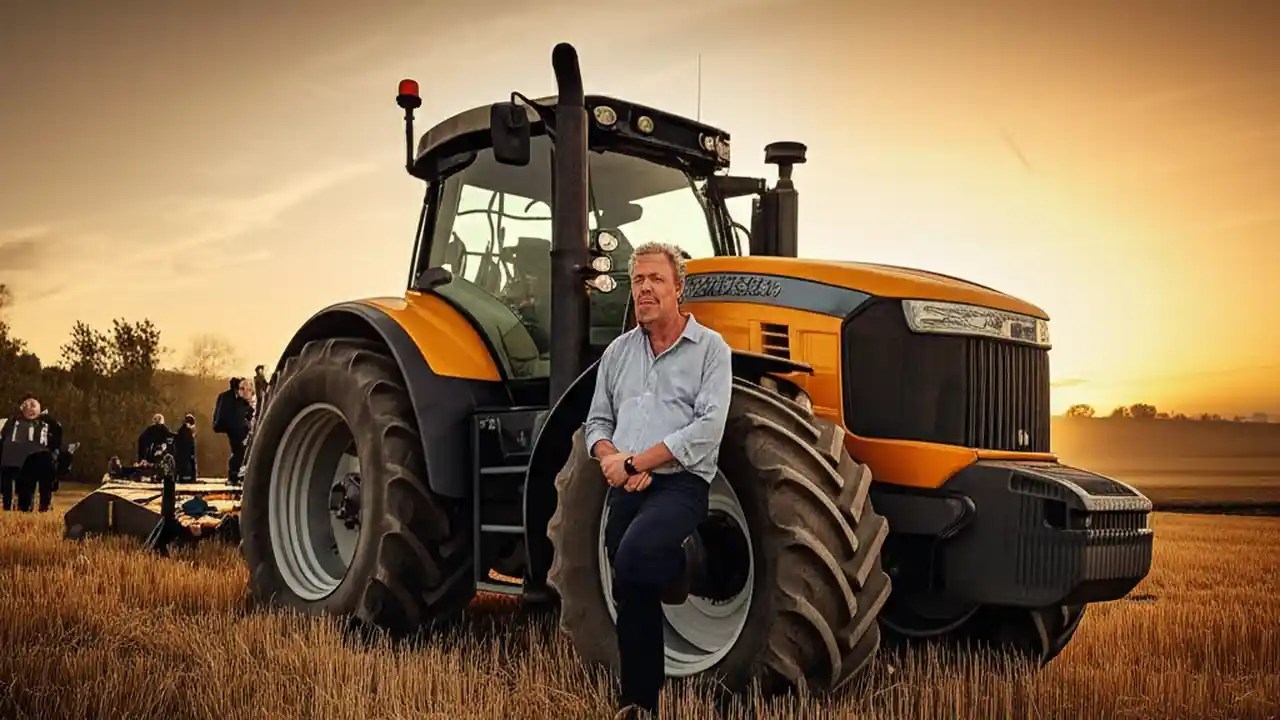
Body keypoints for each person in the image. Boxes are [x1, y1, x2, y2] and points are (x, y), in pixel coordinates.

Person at [582, 241, 733, 719]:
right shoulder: (619, 353)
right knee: (630, 583)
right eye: (639, 280)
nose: (645, 289)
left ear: (678, 288)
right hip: (626, 484)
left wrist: (640, 462)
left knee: (635, 557)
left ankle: (681, 576)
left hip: (679, 485)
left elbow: (708, 428)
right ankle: (639, 703)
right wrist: (613, 460)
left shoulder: (711, 350)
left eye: (656, 280)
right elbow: (596, 423)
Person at [0, 395, 63, 512]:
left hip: (39, 458)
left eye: (33, 405)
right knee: (23, 486)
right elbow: (5, 438)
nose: (30, 408)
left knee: (43, 480)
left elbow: (57, 439)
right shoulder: (13, 421)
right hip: (17, 459)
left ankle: (43, 506)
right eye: (27, 406)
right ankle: (19, 506)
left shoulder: (47, 422)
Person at [174, 413, 198, 482]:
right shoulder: (188, 430)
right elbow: (190, 442)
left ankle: (179, 477)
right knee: (190, 463)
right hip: (186, 451)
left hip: (180, 451)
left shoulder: (182, 429)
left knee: (179, 465)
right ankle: (192, 478)